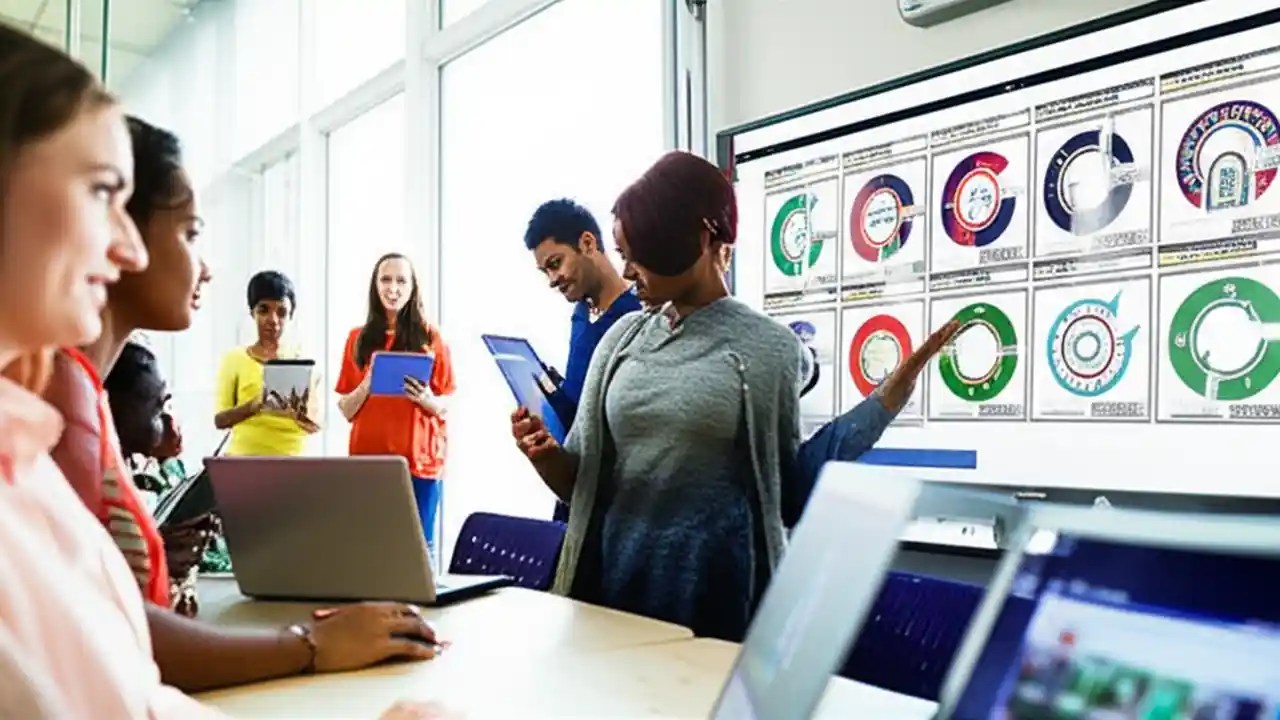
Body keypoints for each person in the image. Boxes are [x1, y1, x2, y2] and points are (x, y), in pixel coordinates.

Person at [0, 25, 449, 719]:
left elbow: (117, 683)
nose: (121, 246)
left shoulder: (26, 440)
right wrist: (305, 644)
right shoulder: (44, 416)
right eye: (98, 194)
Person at [510, 151, 957, 641]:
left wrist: (884, 404)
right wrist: (545, 456)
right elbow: (582, 485)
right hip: (610, 603)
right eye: (624, 255)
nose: (629, 270)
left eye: (640, 254)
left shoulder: (768, 350)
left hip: (715, 613)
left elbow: (788, 493)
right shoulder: (621, 340)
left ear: (702, 239)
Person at [523, 198, 642, 522]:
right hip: (573, 491)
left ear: (588, 243)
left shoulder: (636, 317)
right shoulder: (580, 313)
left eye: (555, 263)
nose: (552, 279)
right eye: (545, 270)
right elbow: (578, 406)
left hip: (615, 503)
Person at [336, 252, 455, 552]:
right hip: (369, 464)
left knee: (417, 551)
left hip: (419, 464)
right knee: (370, 551)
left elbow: (446, 403)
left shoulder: (431, 337)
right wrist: (368, 382)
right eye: (386, 279)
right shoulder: (357, 339)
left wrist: (426, 398)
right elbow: (346, 409)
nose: (393, 288)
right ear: (374, 285)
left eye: (401, 281)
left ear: (413, 287)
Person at [214, 270, 319, 456]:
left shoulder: (301, 363)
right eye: (264, 310)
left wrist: (295, 412)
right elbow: (220, 421)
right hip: (244, 460)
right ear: (252, 312)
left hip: (293, 462)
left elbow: (313, 426)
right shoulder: (235, 359)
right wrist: (254, 406)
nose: (273, 320)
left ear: (291, 315)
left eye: (282, 312)